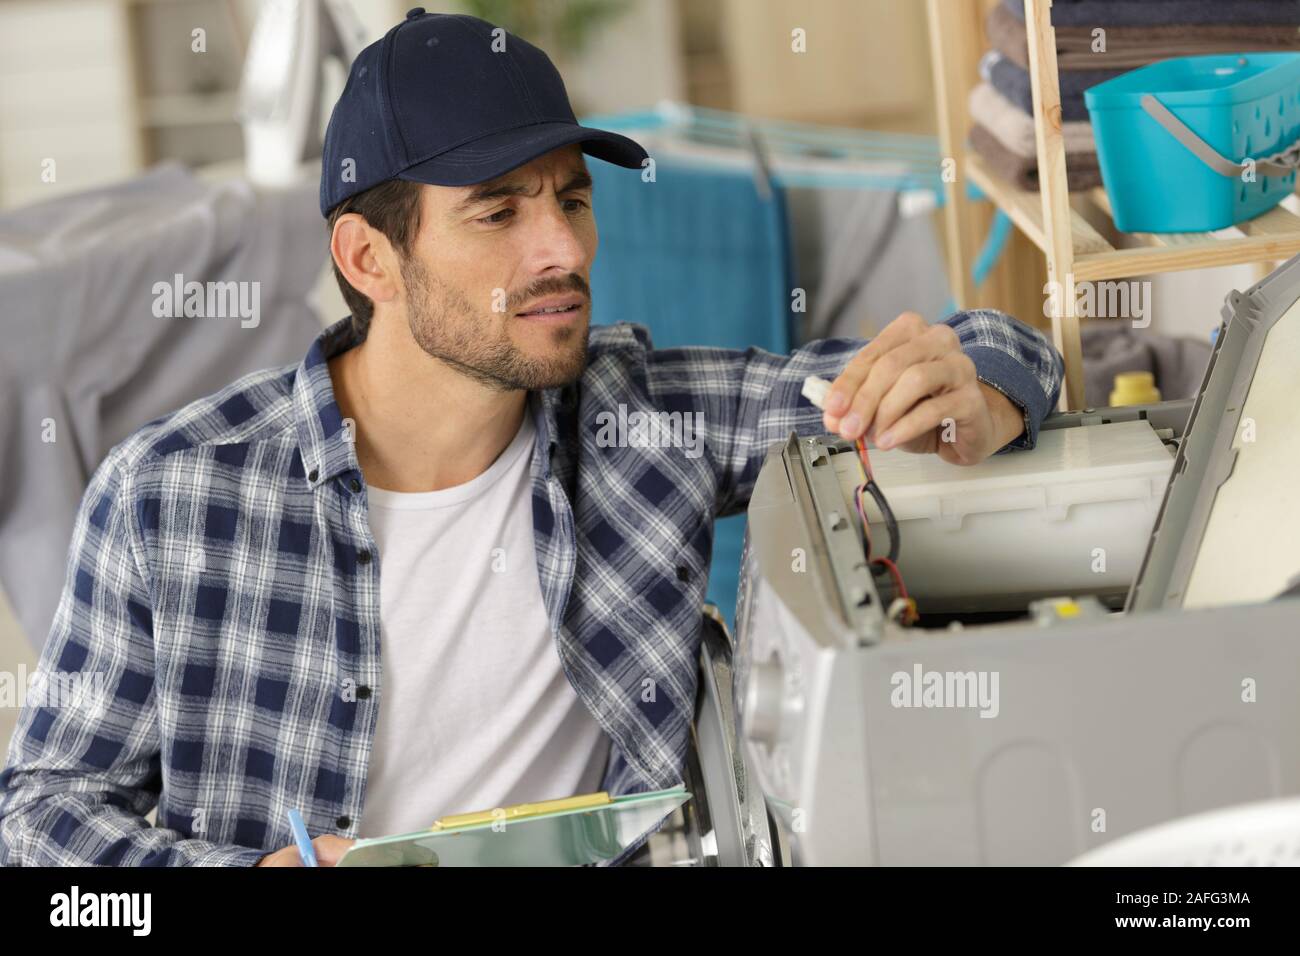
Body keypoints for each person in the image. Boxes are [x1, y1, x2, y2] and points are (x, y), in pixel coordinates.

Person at [0, 10, 1062, 867]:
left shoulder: (646, 420)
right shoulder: (170, 498)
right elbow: (38, 824)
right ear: (369, 258)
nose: (563, 247)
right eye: (498, 212)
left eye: (571, 197)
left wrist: (978, 384)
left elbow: (983, 348)